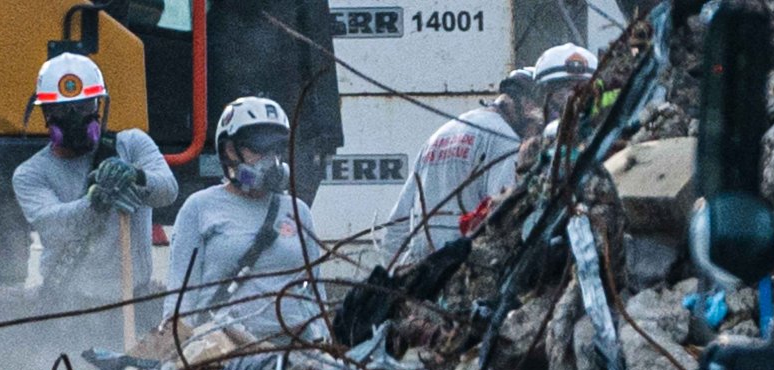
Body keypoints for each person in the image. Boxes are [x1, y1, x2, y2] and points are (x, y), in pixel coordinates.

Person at [12, 52, 177, 370]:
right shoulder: (31, 174)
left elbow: (168, 190)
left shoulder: (131, 145)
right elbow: (53, 226)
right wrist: (95, 202)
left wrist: (137, 176)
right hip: (74, 310)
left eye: (84, 108)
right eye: (61, 110)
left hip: (135, 302)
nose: (74, 118)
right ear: (45, 114)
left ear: (99, 107)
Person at [165, 97, 326, 341]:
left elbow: (316, 292)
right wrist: (177, 347)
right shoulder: (199, 208)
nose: (270, 160)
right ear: (230, 150)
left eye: (276, 150)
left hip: (294, 346)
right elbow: (181, 295)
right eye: (259, 149)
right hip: (224, 350)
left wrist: (325, 344)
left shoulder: (297, 210)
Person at [383, 68, 542, 266]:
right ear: (527, 105)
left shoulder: (443, 132)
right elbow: (504, 218)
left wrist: (401, 279)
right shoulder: (504, 140)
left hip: (423, 274)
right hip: (461, 273)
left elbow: (395, 228)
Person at [207, 0, 344, 205]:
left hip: (295, 125)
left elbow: (319, 60)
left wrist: (327, 135)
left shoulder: (298, 16)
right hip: (219, 122)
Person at [534, 42, 599, 124]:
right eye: (561, 88)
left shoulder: (608, 131)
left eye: (582, 90)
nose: (571, 96)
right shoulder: (529, 130)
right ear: (542, 96)